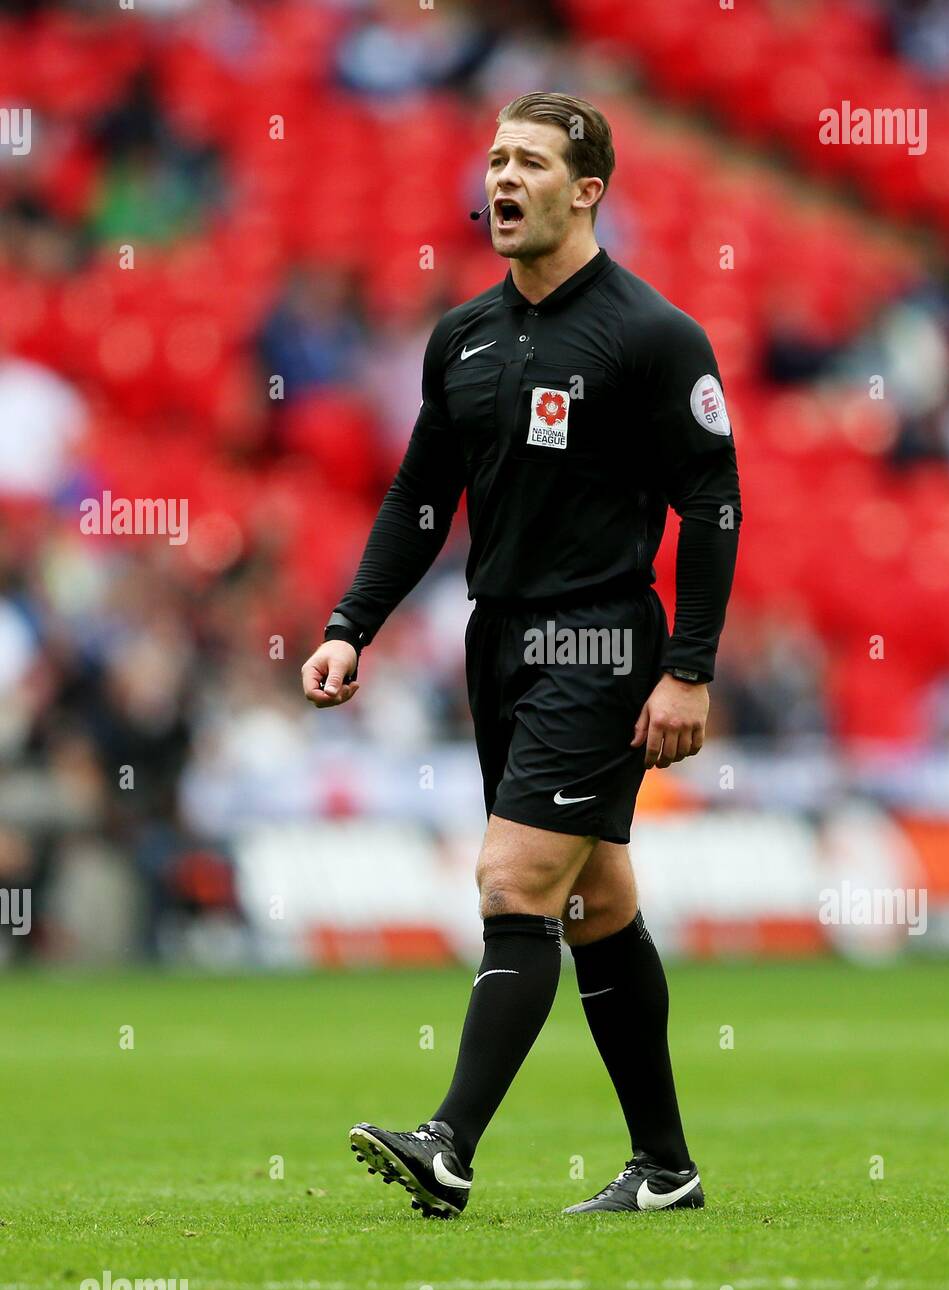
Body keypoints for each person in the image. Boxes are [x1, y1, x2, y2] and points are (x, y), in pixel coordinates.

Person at [301, 92, 741, 1217]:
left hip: (598, 637)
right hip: (496, 641)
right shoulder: (463, 337)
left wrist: (688, 667)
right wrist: (352, 624)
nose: (503, 180)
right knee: (594, 901)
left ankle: (448, 1143)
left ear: (586, 190)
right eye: (495, 159)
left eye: (531, 163)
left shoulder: (653, 335)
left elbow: (713, 502)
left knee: (512, 881)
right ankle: (667, 1166)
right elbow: (418, 497)